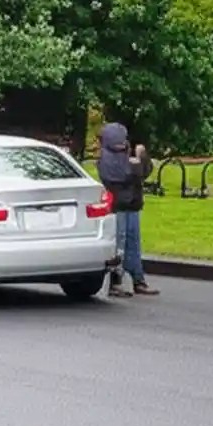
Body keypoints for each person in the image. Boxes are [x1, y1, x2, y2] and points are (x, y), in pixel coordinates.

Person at [96, 123, 158, 297]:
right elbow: (121, 176)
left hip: (132, 205)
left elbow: (144, 172)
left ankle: (138, 279)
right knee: (119, 245)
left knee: (133, 244)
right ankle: (115, 282)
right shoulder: (106, 159)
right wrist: (136, 165)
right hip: (118, 207)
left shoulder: (125, 156)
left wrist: (142, 157)